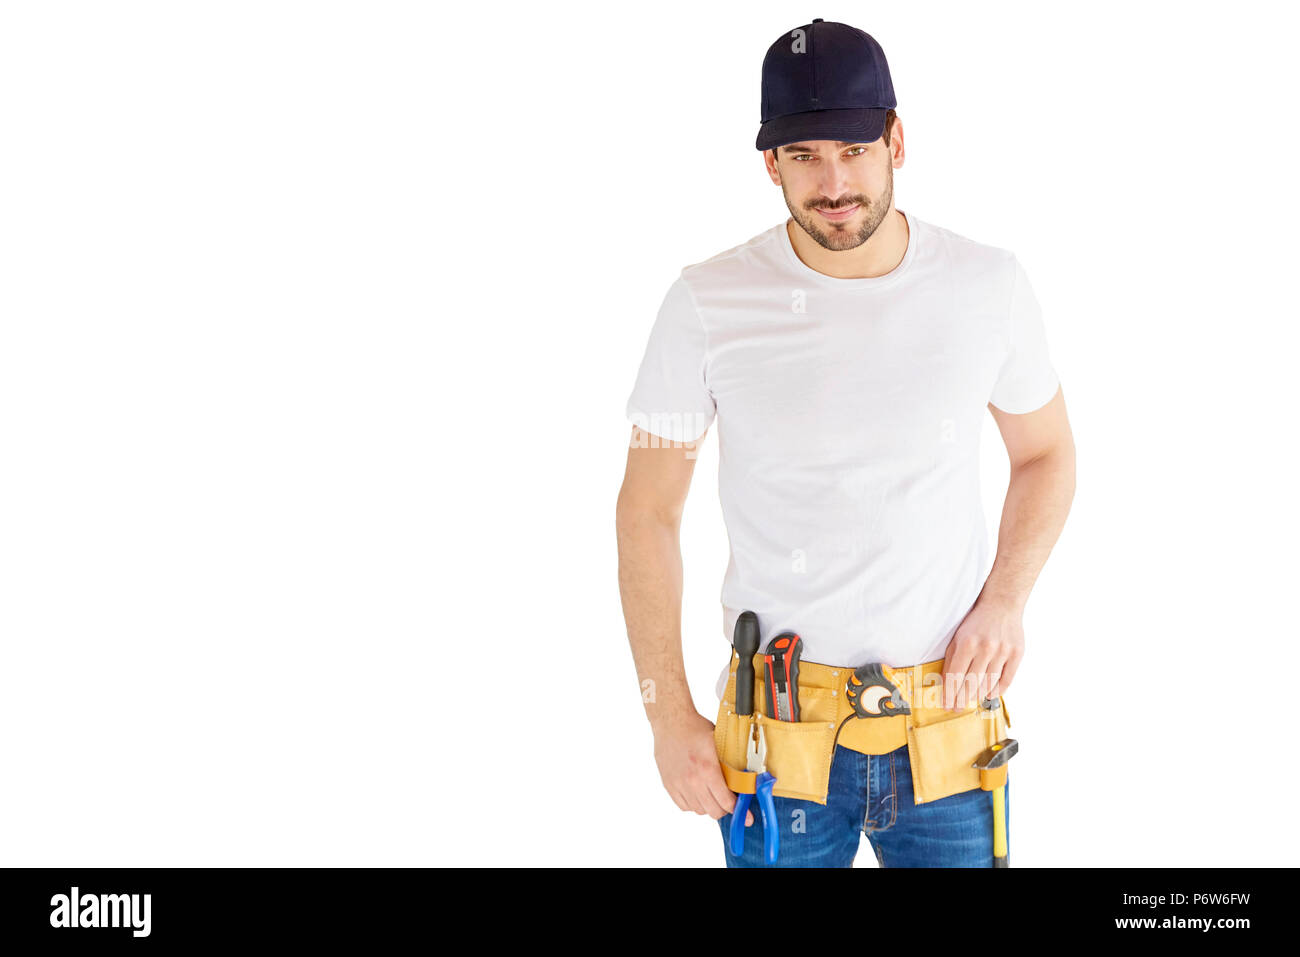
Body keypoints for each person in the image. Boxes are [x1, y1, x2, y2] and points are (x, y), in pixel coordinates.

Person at [615, 20, 1075, 867]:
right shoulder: (706, 302)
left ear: (897, 139)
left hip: (949, 728)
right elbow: (646, 512)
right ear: (769, 163)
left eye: (856, 149)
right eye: (804, 156)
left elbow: (1046, 453)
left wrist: (1006, 599)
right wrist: (667, 714)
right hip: (779, 745)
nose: (834, 182)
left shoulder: (988, 286)